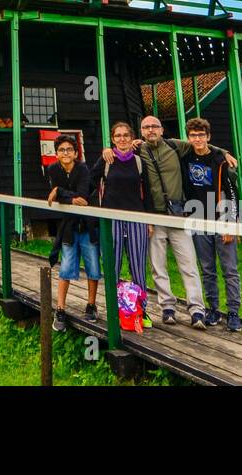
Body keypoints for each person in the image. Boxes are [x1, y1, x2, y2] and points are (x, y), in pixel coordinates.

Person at [103, 115, 236, 328]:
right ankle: (167, 307)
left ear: (162, 129)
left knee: (189, 263)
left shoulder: (175, 146)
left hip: (178, 213)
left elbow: (200, 142)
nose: (151, 130)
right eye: (146, 127)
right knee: (158, 266)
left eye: (155, 126)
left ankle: (196, 309)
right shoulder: (139, 150)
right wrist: (106, 150)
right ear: (141, 132)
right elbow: (119, 148)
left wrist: (224, 152)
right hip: (154, 216)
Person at [179, 118, 242, 332]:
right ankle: (213, 309)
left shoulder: (220, 160)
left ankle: (233, 311)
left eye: (201, 135)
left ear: (208, 137)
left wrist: (231, 224)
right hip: (199, 218)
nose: (197, 139)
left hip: (220, 219)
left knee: (229, 269)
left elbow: (233, 193)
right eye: (193, 135)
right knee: (207, 269)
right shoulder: (185, 157)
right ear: (189, 138)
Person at [91, 121, 154, 328]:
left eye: (126, 135)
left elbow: (148, 192)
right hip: (112, 219)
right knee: (112, 265)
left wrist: (149, 220)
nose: (122, 139)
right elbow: (90, 180)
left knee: (138, 265)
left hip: (136, 218)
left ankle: (141, 310)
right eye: (117, 136)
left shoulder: (138, 161)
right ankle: (113, 309)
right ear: (112, 139)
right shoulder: (107, 160)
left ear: (131, 137)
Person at [46, 134, 100, 331]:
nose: (66, 153)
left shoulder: (83, 169)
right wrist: (64, 194)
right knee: (66, 267)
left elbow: (83, 197)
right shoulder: (52, 169)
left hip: (87, 225)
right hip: (68, 226)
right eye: (62, 150)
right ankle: (60, 308)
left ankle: (91, 304)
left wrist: (60, 191)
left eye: (69, 150)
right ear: (56, 154)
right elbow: (59, 197)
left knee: (93, 265)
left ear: (76, 153)